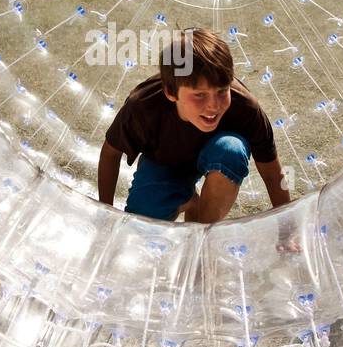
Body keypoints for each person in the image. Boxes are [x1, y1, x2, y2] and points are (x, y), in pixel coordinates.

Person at [97, 28, 290, 223]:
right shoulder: (144, 105)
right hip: (164, 162)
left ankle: (203, 229)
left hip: (219, 155)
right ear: (171, 93)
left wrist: (287, 227)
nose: (213, 105)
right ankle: (187, 199)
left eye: (222, 91)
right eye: (199, 95)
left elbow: (272, 173)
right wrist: (105, 214)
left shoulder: (245, 107)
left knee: (231, 150)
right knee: (143, 223)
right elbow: (110, 154)